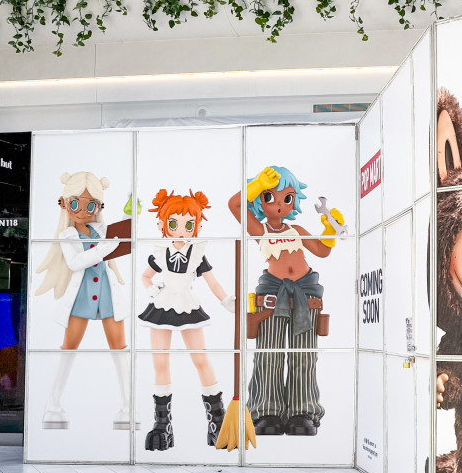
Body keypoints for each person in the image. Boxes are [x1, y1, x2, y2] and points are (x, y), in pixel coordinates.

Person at [229, 166, 339, 436]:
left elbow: (321, 250)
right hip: (272, 295)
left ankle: (303, 410)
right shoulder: (260, 230)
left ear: (294, 202)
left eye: (287, 198)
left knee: (305, 355)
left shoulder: (297, 229)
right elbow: (235, 205)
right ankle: (267, 410)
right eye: (270, 197)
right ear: (260, 201)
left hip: (306, 293)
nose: (279, 204)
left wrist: (329, 229)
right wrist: (257, 184)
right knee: (269, 354)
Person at [139, 189, 235, 451]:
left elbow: (213, 282)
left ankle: (217, 420)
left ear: (197, 226)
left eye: (188, 225)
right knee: (160, 362)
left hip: (187, 306)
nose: (181, 231)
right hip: (161, 306)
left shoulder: (197, 254)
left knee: (200, 359)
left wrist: (227, 301)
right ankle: (162, 424)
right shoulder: (159, 252)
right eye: (174, 224)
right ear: (162, 224)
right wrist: (150, 288)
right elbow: (145, 276)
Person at [34, 171, 129, 429]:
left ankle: (127, 405)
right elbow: (76, 262)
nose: (82, 211)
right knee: (69, 348)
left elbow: (122, 237)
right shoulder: (67, 236)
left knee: (120, 349)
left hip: (107, 294)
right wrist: (104, 249)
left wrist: (130, 214)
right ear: (64, 203)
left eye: (90, 205)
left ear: (98, 206)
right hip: (81, 295)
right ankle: (53, 404)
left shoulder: (102, 230)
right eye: (75, 203)